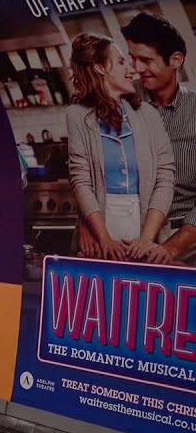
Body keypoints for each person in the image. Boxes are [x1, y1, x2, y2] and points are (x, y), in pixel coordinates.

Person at [66, 32, 175, 263]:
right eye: (121, 62)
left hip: (146, 229)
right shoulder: (76, 116)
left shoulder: (149, 115)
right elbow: (81, 181)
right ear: (100, 68)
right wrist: (103, 239)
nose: (132, 70)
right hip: (100, 234)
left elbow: (165, 178)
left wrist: (146, 239)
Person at [122, 11, 196, 263]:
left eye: (146, 60)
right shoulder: (122, 102)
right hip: (127, 236)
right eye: (132, 59)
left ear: (175, 59)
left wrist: (171, 248)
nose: (137, 69)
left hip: (184, 238)